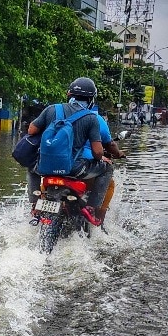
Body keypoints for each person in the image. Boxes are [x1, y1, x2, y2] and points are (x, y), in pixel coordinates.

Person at [26, 77, 115, 226]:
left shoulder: (51, 109)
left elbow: (31, 130)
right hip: (75, 169)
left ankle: (35, 203)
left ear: (69, 94)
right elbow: (98, 153)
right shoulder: (92, 118)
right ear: (91, 99)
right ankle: (91, 208)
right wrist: (101, 159)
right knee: (108, 169)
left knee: (30, 167)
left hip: (45, 167)